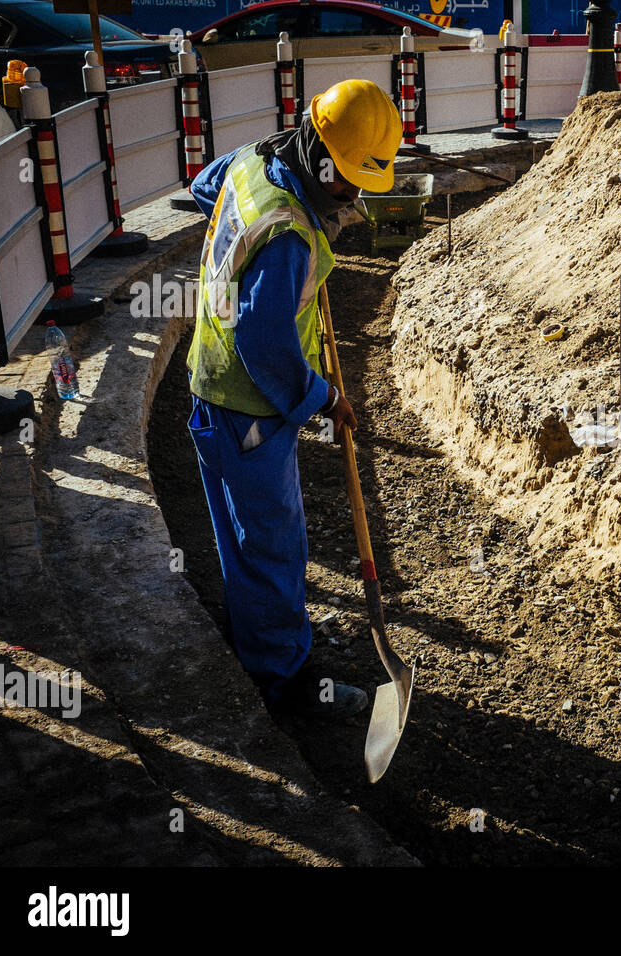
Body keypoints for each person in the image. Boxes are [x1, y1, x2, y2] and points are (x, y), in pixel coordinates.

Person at [184, 79, 401, 717]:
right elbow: (264, 340)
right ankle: (285, 679)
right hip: (252, 405)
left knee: (242, 539)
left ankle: (257, 639)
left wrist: (240, 262)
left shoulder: (253, 162)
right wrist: (321, 396)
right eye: (349, 182)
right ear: (324, 162)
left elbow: (205, 190)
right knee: (273, 543)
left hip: (209, 381)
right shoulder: (291, 238)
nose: (354, 195)